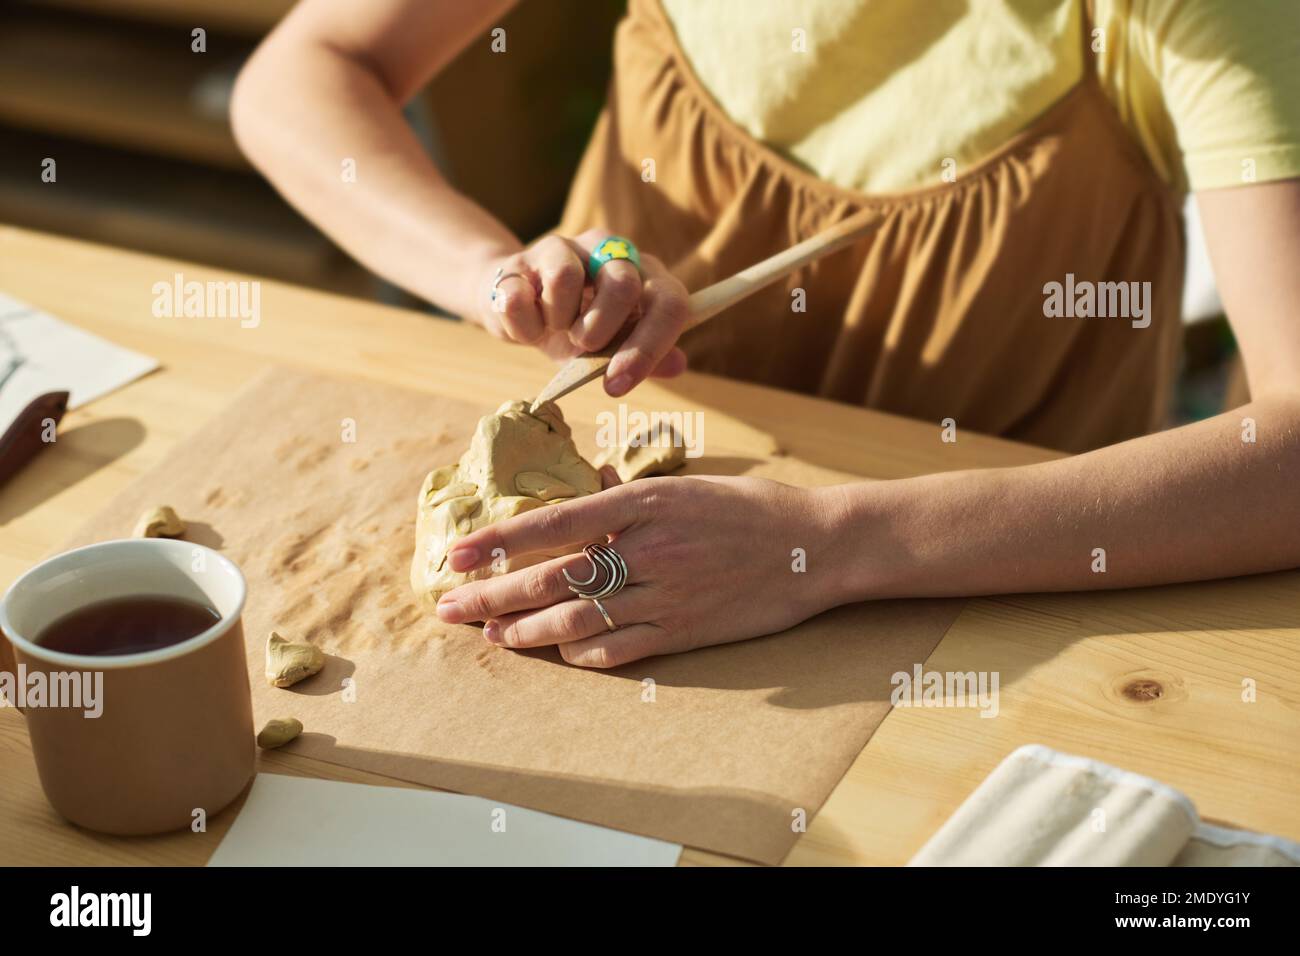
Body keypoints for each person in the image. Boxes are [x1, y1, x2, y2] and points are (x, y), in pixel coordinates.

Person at [232, 0, 1300, 668]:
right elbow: (307, 69)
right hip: (634, 559)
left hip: (984, 609)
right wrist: (492, 273)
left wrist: (824, 545)